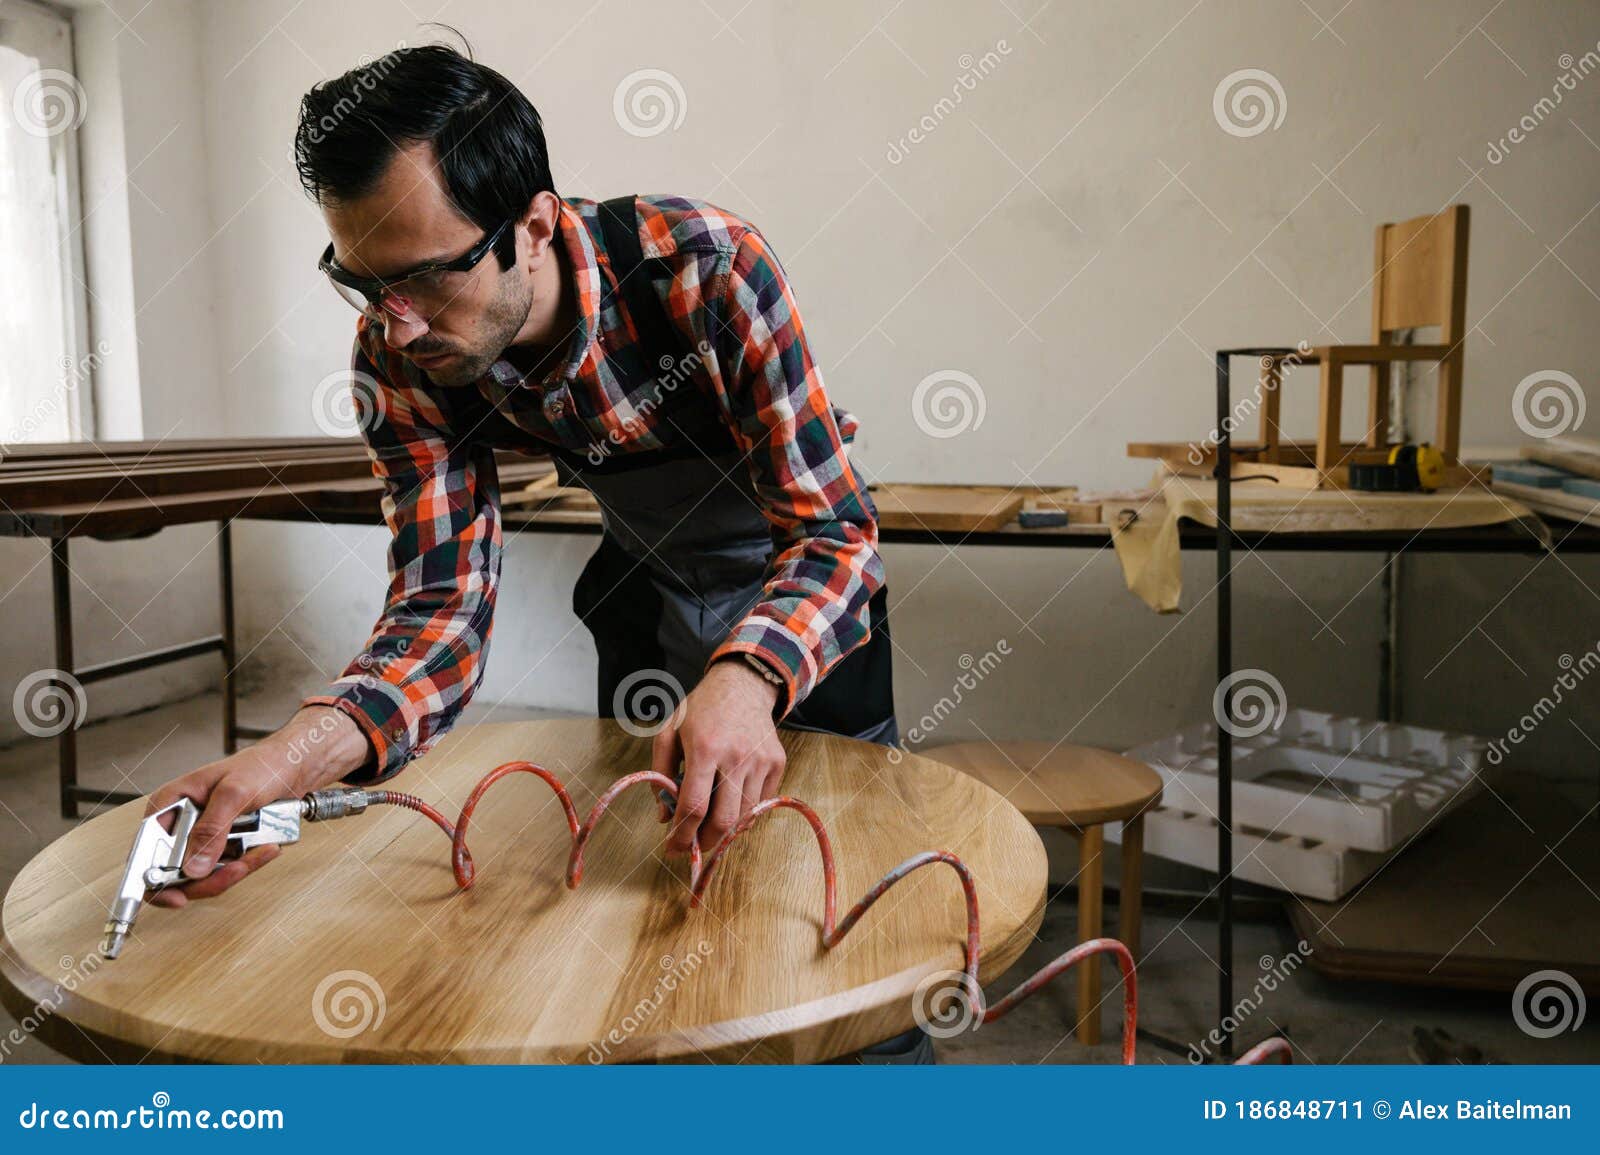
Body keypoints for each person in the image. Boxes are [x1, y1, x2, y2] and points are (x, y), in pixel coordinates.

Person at [141, 42, 924, 1061]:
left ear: (536, 224)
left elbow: (831, 530)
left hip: (804, 610)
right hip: (643, 595)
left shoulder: (704, 267)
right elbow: (439, 609)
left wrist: (749, 673)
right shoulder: (400, 353)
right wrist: (293, 757)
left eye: (425, 275)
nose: (397, 320)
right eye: (362, 281)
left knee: (841, 929)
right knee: (653, 910)